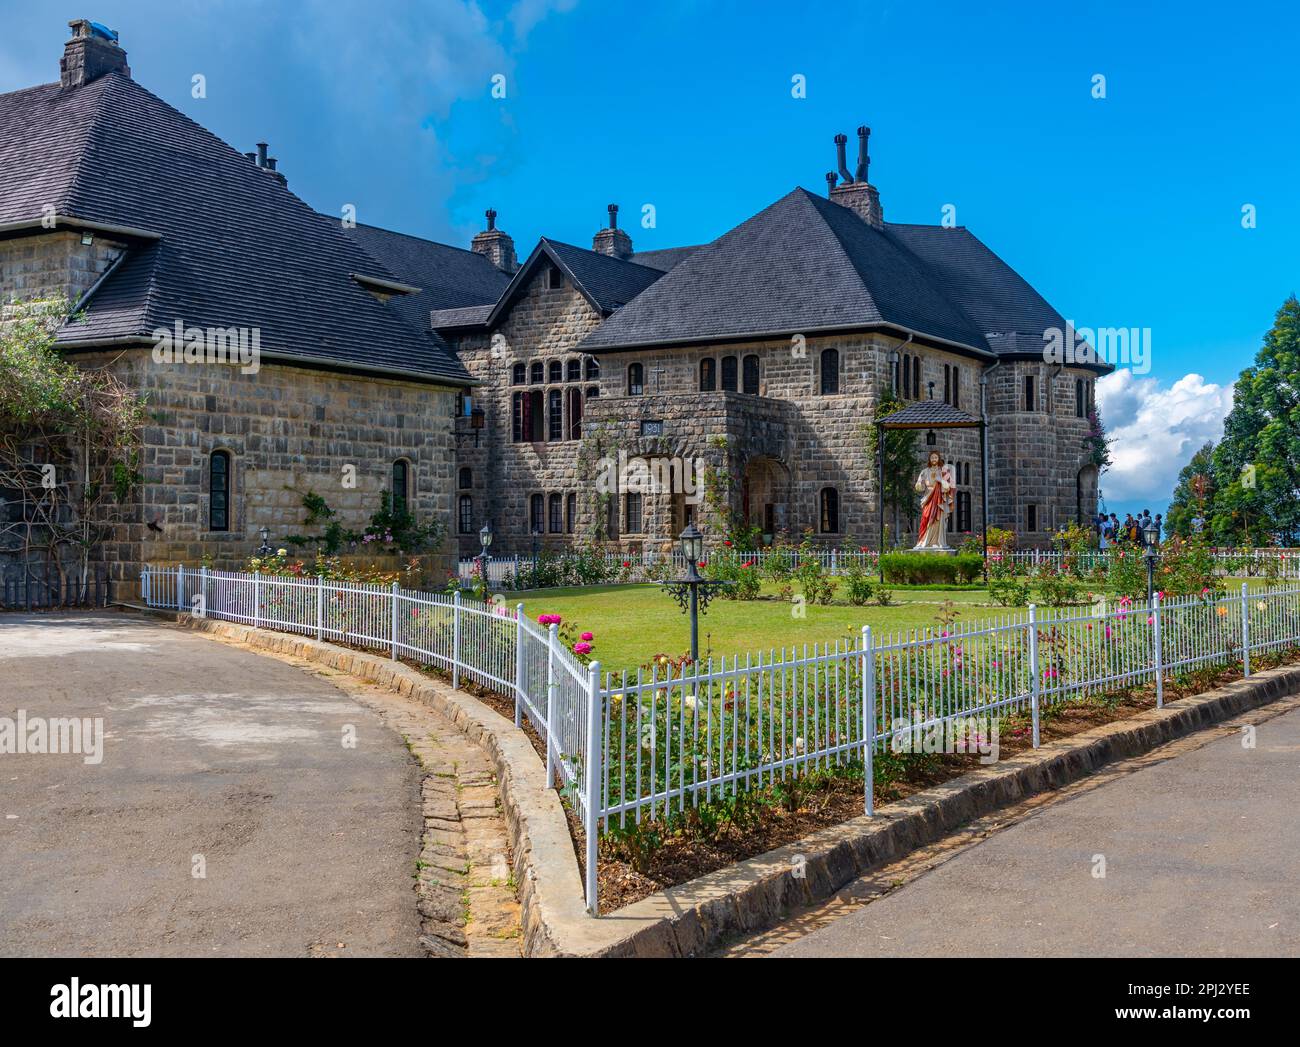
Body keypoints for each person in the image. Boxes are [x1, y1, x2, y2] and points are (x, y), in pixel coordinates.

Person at [912, 451, 955, 550]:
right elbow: (920, 487)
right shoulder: (924, 471)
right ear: (929, 460)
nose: (934, 459)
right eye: (932, 458)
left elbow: (949, 487)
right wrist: (918, 485)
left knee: (938, 520)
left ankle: (937, 541)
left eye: (936, 457)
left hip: (939, 499)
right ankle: (924, 541)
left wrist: (941, 480)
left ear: (938, 459)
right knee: (926, 518)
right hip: (928, 497)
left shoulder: (944, 471)